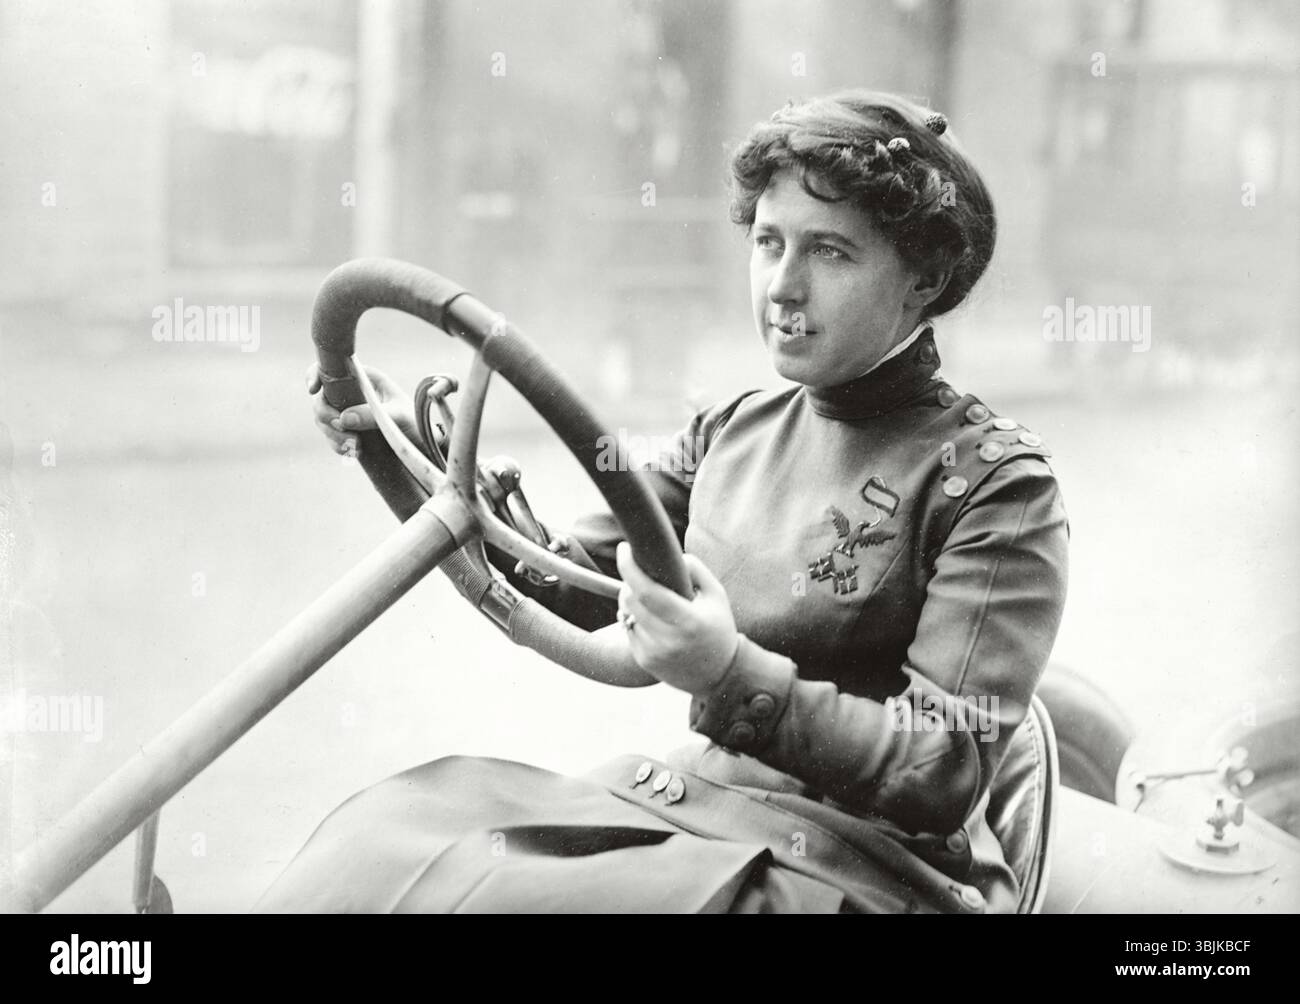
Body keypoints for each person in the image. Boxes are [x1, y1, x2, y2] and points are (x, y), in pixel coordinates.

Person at [261, 90, 1069, 914]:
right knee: (391, 839)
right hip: (689, 813)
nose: (784, 286)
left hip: (863, 871)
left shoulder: (997, 483)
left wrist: (726, 672)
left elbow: (943, 769)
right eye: (768, 243)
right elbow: (575, 586)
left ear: (923, 278)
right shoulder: (733, 428)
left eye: (829, 252)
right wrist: (400, 450)